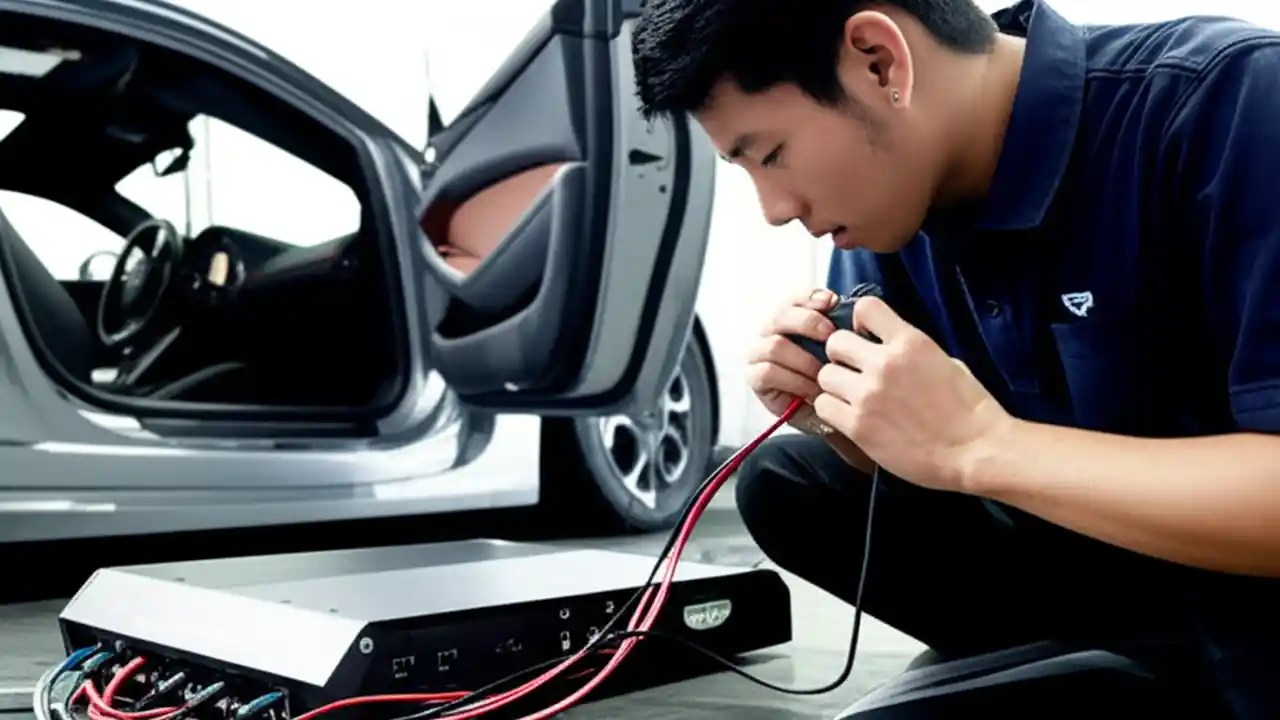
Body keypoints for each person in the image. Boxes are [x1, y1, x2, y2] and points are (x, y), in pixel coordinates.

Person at [632, 0, 1280, 717]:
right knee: (787, 479)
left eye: (771, 155)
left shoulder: (1230, 101)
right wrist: (852, 418)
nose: (774, 208)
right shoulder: (895, 203)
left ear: (880, 62)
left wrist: (981, 445)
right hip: (1104, 579)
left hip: (1251, 589)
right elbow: (940, 462)